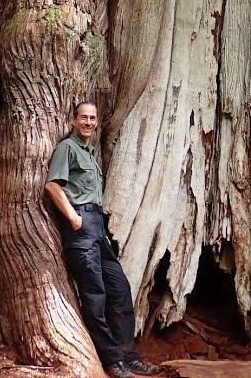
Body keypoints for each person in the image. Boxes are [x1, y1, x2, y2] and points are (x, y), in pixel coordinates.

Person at [44, 102, 158, 378]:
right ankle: (112, 360)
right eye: (83, 117)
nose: (88, 122)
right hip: (81, 227)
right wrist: (73, 217)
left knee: (119, 290)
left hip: (98, 228)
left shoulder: (90, 154)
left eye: (92, 118)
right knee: (95, 295)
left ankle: (129, 356)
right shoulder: (67, 149)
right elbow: (52, 185)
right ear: (73, 121)